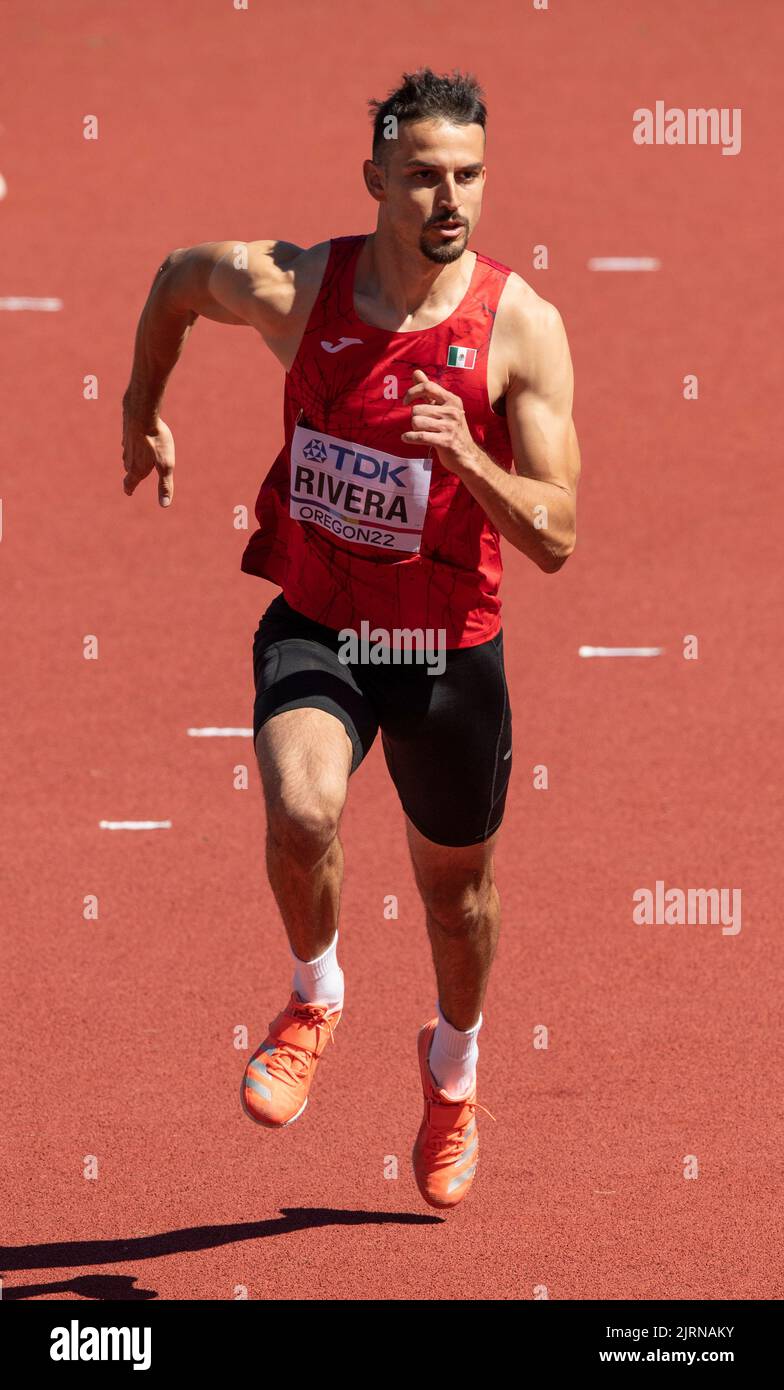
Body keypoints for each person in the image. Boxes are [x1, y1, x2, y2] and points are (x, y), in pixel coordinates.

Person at [121, 68, 580, 1210]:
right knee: (303, 804)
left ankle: (453, 1071)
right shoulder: (300, 287)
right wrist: (141, 405)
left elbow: (560, 533)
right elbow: (179, 278)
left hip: (443, 652)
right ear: (373, 177)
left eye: (468, 175)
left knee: (456, 900)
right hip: (322, 623)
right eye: (422, 174)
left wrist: (470, 460)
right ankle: (314, 996)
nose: (449, 198)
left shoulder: (519, 327)